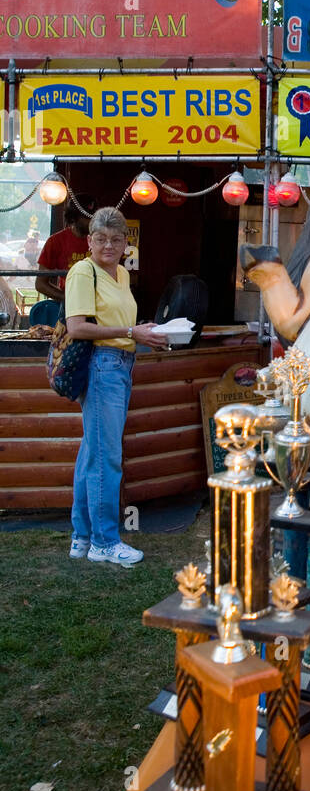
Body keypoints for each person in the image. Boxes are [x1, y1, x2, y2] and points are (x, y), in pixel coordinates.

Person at [65, 207, 166, 566]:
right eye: (101, 239)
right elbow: (76, 327)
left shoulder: (121, 273)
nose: (109, 245)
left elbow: (119, 323)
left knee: (92, 454)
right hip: (101, 366)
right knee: (107, 457)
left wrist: (142, 332)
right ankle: (105, 541)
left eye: (116, 239)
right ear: (89, 240)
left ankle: (82, 537)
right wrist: (129, 333)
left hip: (120, 364)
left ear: (126, 243)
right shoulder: (82, 271)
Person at [35, 195, 97, 303]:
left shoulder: (103, 240)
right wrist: (68, 299)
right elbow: (40, 284)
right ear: (73, 218)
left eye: (94, 217)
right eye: (87, 217)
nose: (92, 221)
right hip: (69, 307)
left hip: (100, 304)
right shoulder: (55, 242)